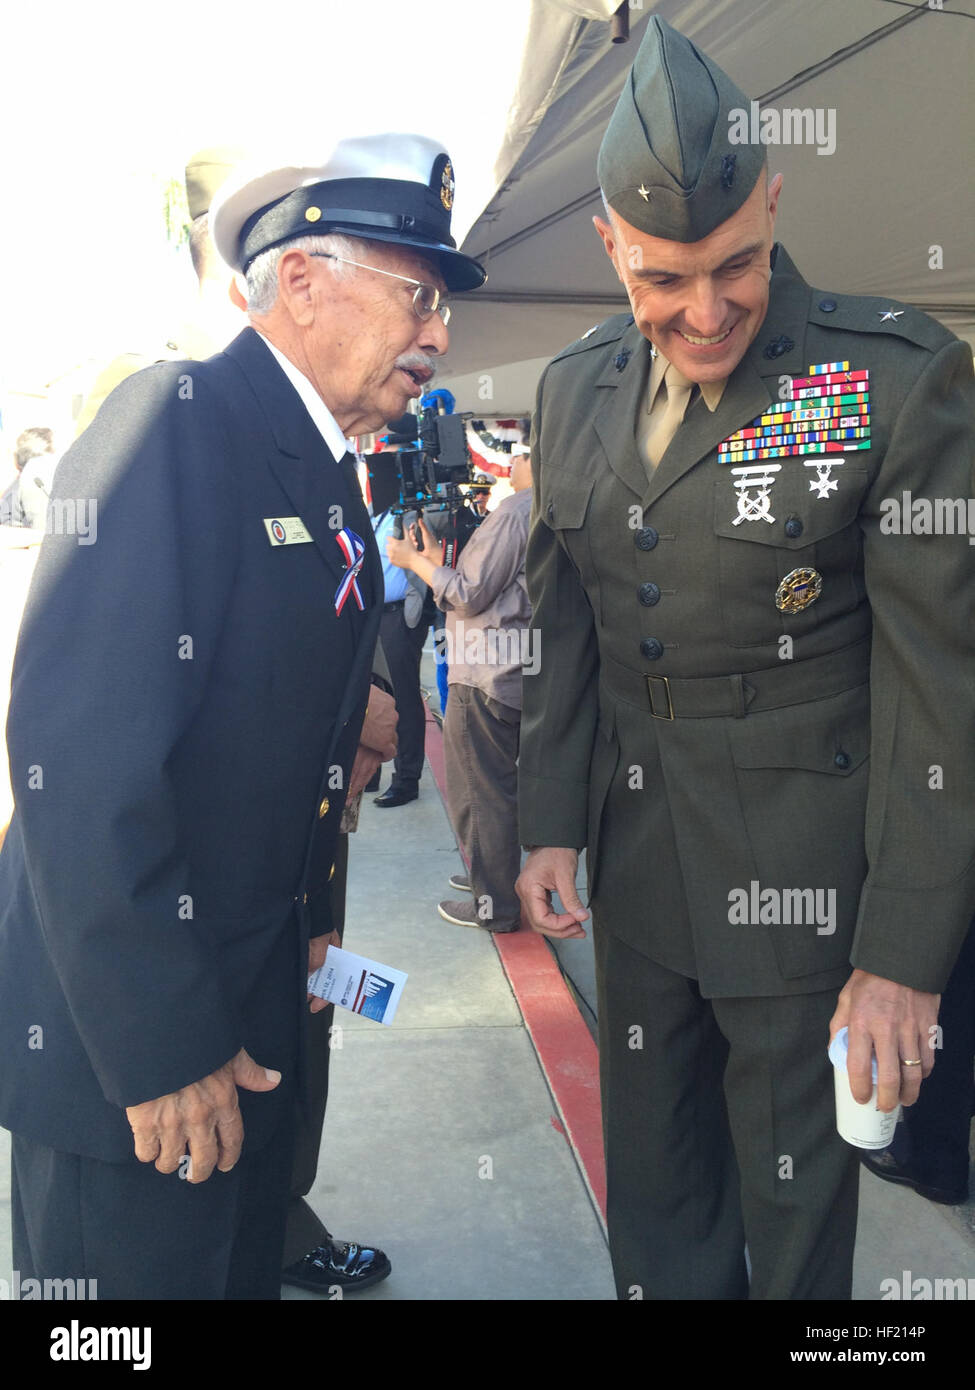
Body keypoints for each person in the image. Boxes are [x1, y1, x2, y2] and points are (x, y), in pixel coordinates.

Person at [516, 16, 975, 1301]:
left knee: (791, 1227)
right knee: (657, 1204)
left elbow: (943, 694)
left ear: (774, 202)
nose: (705, 311)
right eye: (662, 279)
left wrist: (900, 957)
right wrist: (551, 819)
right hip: (643, 877)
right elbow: (566, 624)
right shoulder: (570, 391)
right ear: (609, 246)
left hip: (809, 891)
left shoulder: (890, 380)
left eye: (738, 265)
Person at [0, 132, 485, 1299]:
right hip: (139, 1058)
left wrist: (313, 914)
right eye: (417, 294)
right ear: (304, 283)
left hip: (250, 1001)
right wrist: (165, 1049)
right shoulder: (175, 423)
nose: (438, 332)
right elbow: (79, 763)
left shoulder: (311, 462)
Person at [388, 448, 533, 934]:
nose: (510, 461)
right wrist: (433, 562)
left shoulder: (514, 512)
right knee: (488, 787)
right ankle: (489, 879)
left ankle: (495, 904)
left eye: (520, 453)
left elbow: (468, 595)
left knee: (482, 790)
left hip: (485, 670)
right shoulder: (542, 506)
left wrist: (414, 562)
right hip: (512, 667)